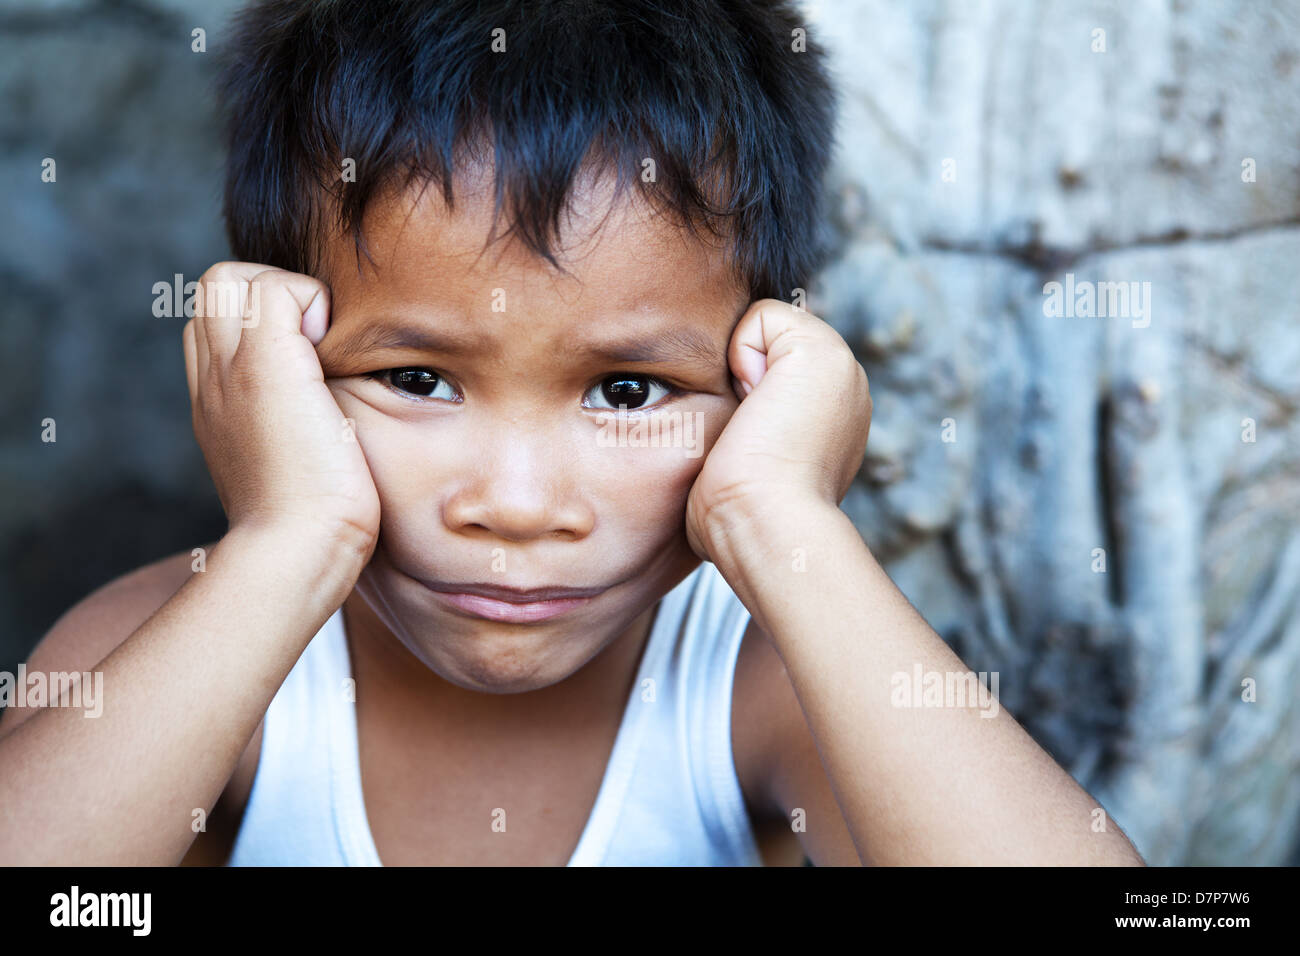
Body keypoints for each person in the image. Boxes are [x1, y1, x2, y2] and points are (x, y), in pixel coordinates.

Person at [0, 0, 1145, 866]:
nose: (516, 501)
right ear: (270, 367)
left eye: (630, 392)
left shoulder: (753, 678)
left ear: (764, 384)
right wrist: (287, 541)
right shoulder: (173, 644)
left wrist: (784, 525)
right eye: (415, 376)